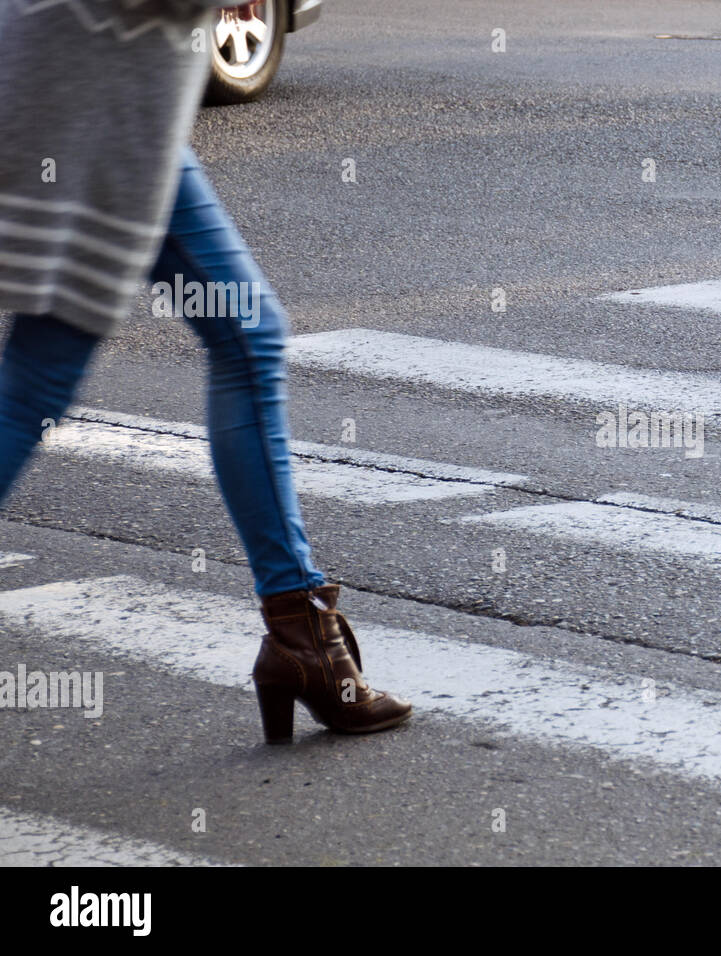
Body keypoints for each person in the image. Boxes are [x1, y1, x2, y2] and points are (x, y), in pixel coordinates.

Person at [0, 1, 411, 742]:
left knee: (247, 336)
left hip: (121, 86)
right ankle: (301, 637)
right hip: (90, 91)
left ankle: (301, 636)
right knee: (39, 374)